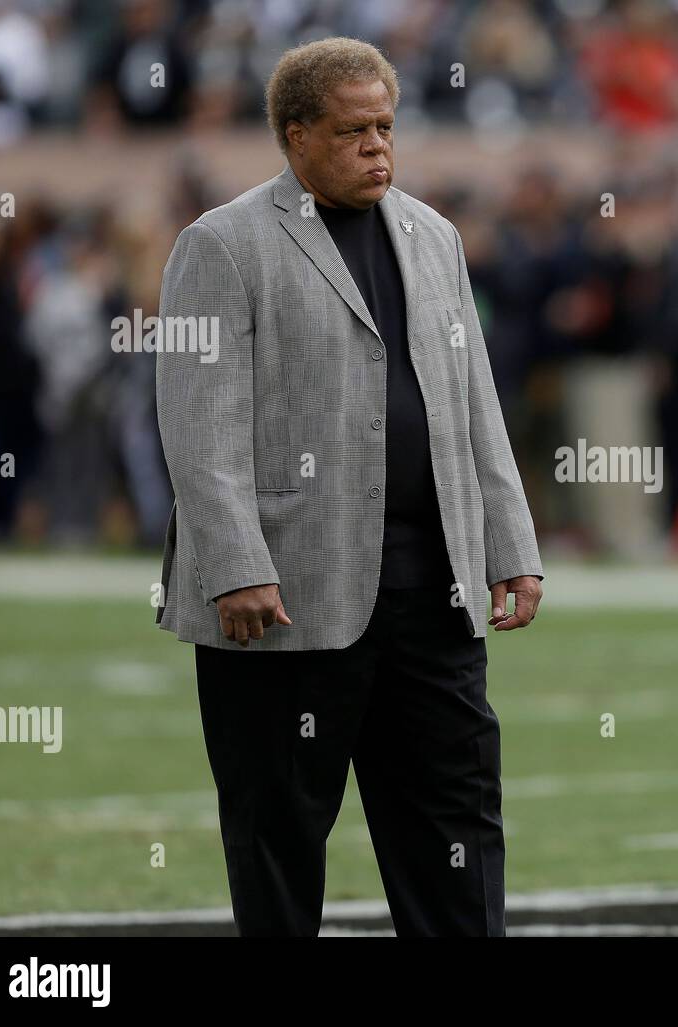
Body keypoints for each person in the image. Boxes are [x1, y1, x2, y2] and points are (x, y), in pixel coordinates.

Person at [154, 37, 544, 936]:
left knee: (456, 828)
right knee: (278, 836)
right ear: (295, 136)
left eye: (385, 127)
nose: (378, 147)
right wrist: (235, 563)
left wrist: (510, 543)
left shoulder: (433, 234)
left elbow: (473, 402)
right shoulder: (221, 243)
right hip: (286, 594)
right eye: (352, 131)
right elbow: (197, 423)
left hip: (432, 593)